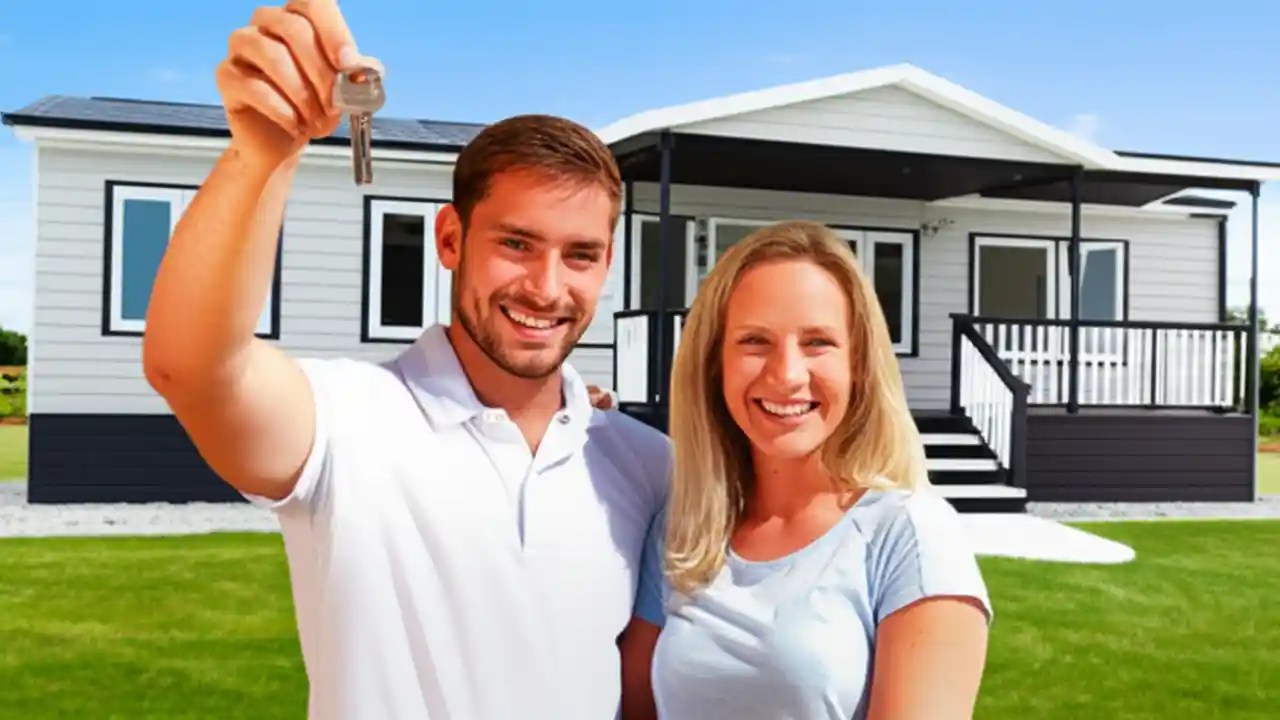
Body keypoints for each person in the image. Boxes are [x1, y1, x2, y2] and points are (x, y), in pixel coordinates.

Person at [141, 2, 670, 718]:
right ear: (450, 240)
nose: (548, 288)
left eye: (580, 256)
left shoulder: (645, 464)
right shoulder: (343, 421)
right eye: (516, 244)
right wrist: (262, 155)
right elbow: (196, 367)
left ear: (607, 263)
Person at [616, 221, 992, 720]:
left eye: (817, 342)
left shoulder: (910, 536)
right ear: (714, 364)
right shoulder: (682, 532)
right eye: (754, 341)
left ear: (859, 365)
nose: (787, 374)